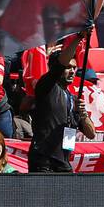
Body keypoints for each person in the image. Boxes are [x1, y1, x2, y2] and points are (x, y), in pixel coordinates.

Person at [28, 42, 94, 172]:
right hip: (44, 161)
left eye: (74, 68)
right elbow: (59, 64)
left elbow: (91, 133)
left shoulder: (73, 99)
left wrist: (83, 113)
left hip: (63, 162)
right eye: (68, 67)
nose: (72, 71)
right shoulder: (47, 87)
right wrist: (79, 38)